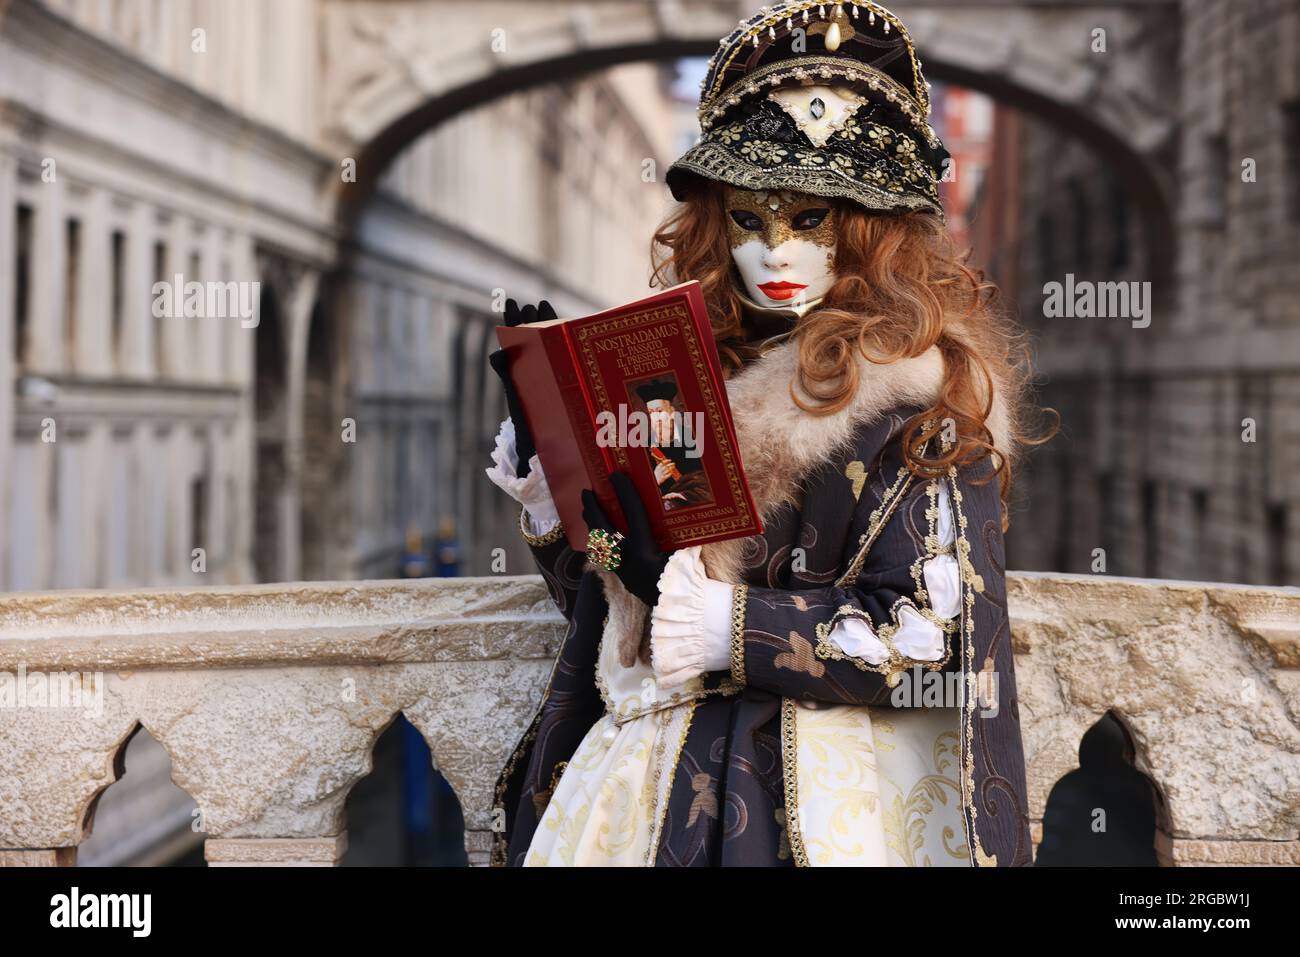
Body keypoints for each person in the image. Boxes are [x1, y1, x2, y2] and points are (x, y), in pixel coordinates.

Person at [486, 0, 1050, 866]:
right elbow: (616, 620)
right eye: (751, 220)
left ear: (872, 233)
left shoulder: (926, 409)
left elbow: (939, 634)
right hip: (643, 799)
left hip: (824, 815)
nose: (776, 255)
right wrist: (556, 487)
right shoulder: (690, 381)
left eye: (812, 220)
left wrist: (728, 625)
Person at [634, 379, 712, 509]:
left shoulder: (693, 438)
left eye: (659, 411)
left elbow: (709, 479)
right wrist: (655, 480)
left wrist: (683, 495)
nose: (656, 418)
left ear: (672, 412)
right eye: (651, 413)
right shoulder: (645, 446)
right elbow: (641, 491)